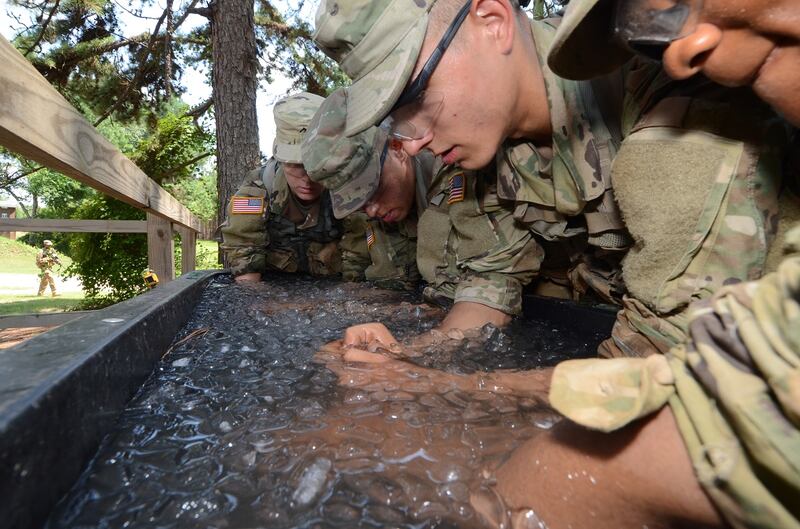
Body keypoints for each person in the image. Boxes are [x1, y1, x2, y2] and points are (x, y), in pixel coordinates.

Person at [307, 0, 794, 527]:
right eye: (395, 120)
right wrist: (403, 360)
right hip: (628, 353)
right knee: (345, 443)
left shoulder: (670, 98)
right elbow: (487, 293)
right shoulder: (486, 154)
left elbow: (652, 375)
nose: (414, 140)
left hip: (739, 388)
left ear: (492, 21)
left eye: (415, 95)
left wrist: (437, 388)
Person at [303, 88, 543, 332]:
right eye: (360, 204)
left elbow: (494, 292)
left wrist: (412, 352)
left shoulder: (464, 169)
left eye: (374, 191)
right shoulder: (389, 209)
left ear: (397, 148)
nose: (372, 210)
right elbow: (394, 285)